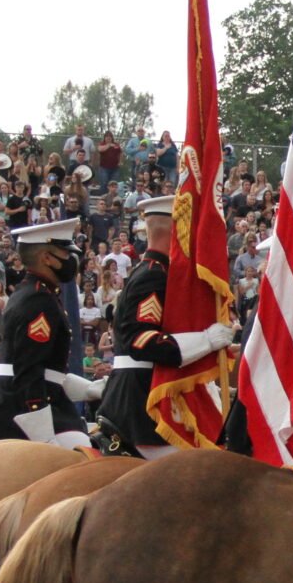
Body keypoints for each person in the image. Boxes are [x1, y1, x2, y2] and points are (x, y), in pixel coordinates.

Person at [96, 196, 234, 458]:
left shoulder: (155, 271)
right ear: (177, 231)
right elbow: (141, 341)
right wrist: (205, 340)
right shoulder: (153, 275)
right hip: (143, 401)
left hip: (144, 391)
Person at [0, 217, 105, 448]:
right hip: (23, 407)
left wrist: (89, 388)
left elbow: (48, 371)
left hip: (30, 399)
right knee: (86, 460)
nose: (71, 261)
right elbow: (28, 369)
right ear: (47, 257)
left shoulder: (33, 292)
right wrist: (42, 433)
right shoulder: (39, 299)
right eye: (66, 255)